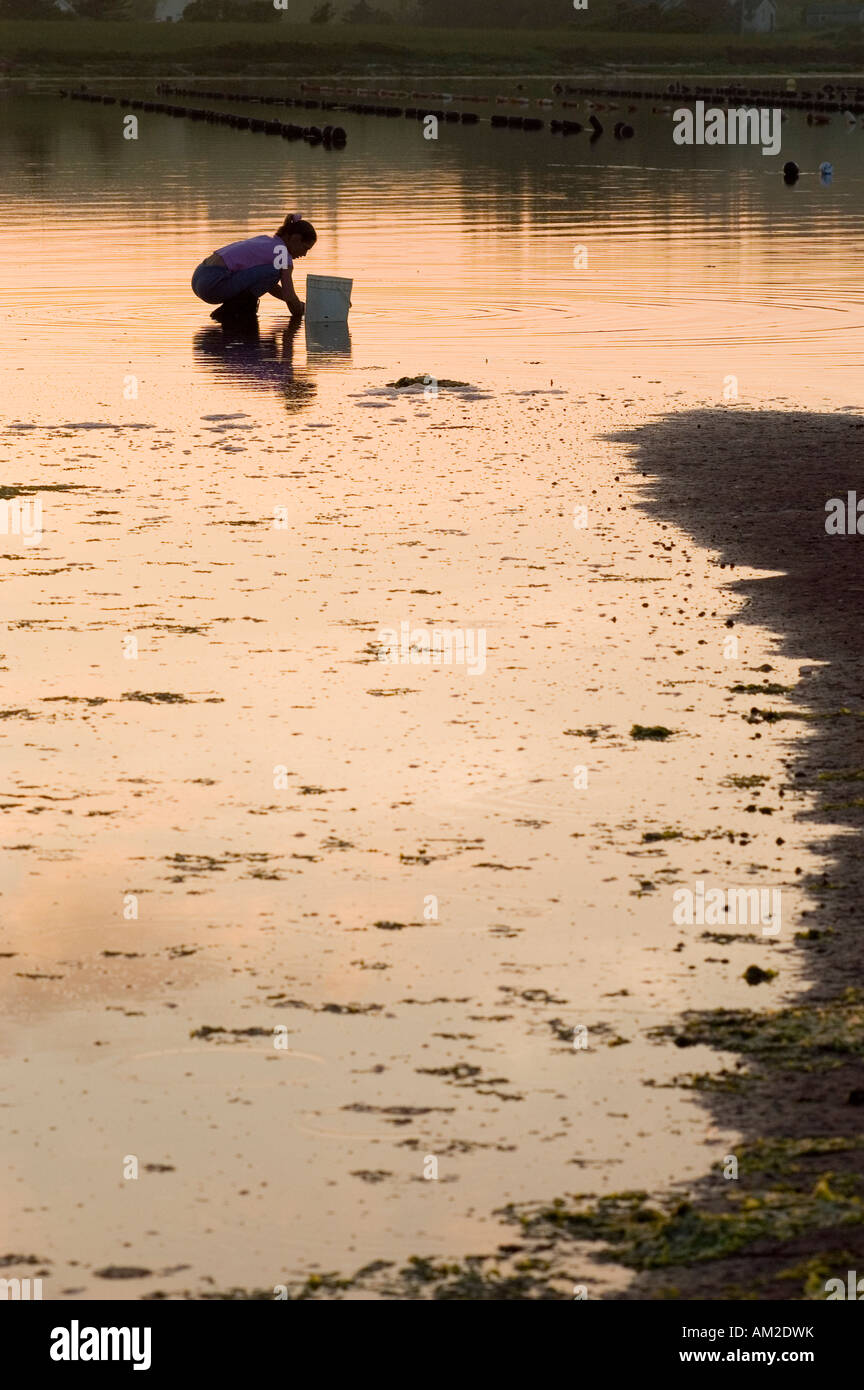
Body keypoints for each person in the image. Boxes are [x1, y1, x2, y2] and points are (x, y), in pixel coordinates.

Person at [191, 213, 317, 324]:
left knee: (272, 271)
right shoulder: (283, 255)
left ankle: (233, 310)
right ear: (295, 239)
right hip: (213, 284)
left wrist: (299, 303)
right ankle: (234, 310)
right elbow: (289, 296)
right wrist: (305, 311)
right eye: (305, 248)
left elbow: (270, 285)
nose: (304, 254)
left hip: (200, 275)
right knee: (276, 271)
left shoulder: (267, 241)